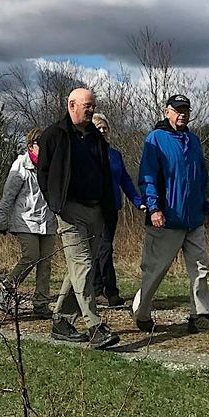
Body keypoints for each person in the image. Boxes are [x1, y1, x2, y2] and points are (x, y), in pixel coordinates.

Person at [36, 87, 120, 349]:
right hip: (69, 210)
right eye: (87, 105)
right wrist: (55, 203)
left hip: (96, 209)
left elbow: (106, 173)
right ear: (72, 105)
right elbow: (43, 172)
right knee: (82, 264)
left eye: (93, 105)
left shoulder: (96, 137)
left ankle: (61, 321)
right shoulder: (54, 135)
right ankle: (94, 325)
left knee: (82, 267)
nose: (91, 110)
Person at [131, 94, 209, 333]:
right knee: (156, 269)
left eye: (186, 110)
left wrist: (205, 207)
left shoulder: (193, 141)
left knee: (200, 268)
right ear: (167, 111)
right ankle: (141, 312)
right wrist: (154, 208)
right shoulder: (156, 139)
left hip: (193, 218)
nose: (182, 114)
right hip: (166, 219)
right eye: (177, 110)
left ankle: (200, 315)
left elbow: (200, 176)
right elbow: (148, 176)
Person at [0, 128, 55, 319]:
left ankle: (41, 303)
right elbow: (8, 195)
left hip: (47, 221)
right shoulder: (20, 165)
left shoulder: (51, 165)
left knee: (45, 263)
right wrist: (2, 220)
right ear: (31, 145)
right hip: (25, 220)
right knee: (31, 256)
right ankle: (7, 286)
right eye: (41, 143)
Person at [91, 112, 141, 307]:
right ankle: (103, 290)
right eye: (98, 127)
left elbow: (125, 181)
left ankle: (106, 290)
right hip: (94, 208)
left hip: (112, 208)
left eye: (105, 127)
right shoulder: (87, 154)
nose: (102, 130)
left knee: (105, 249)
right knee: (102, 249)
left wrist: (138, 201)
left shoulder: (115, 155)